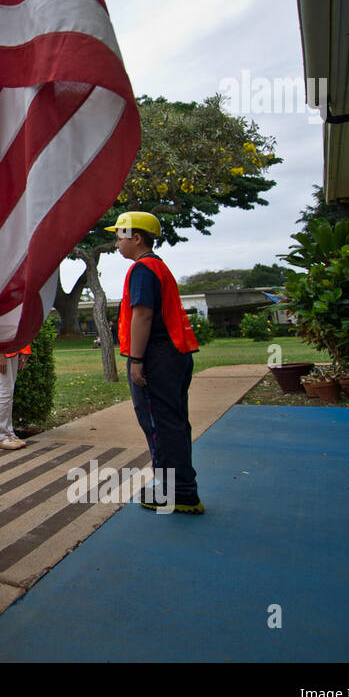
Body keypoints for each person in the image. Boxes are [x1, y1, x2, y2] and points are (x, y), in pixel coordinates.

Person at [106, 211, 202, 514]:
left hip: (156, 356)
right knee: (172, 422)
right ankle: (181, 487)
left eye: (120, 237)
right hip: (172, 354)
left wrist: (136, 359)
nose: (116, 243)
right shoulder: (157, 267)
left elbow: (142, 314)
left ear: (136, 238)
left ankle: (178, 493)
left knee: (160, 424)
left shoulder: (143, 269)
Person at [0, 345, 29, 449]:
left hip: (11, 348)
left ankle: (8, 433)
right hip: (0, 349)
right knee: (5, 392)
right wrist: (0, 354)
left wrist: (24, 349)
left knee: (8, 392)